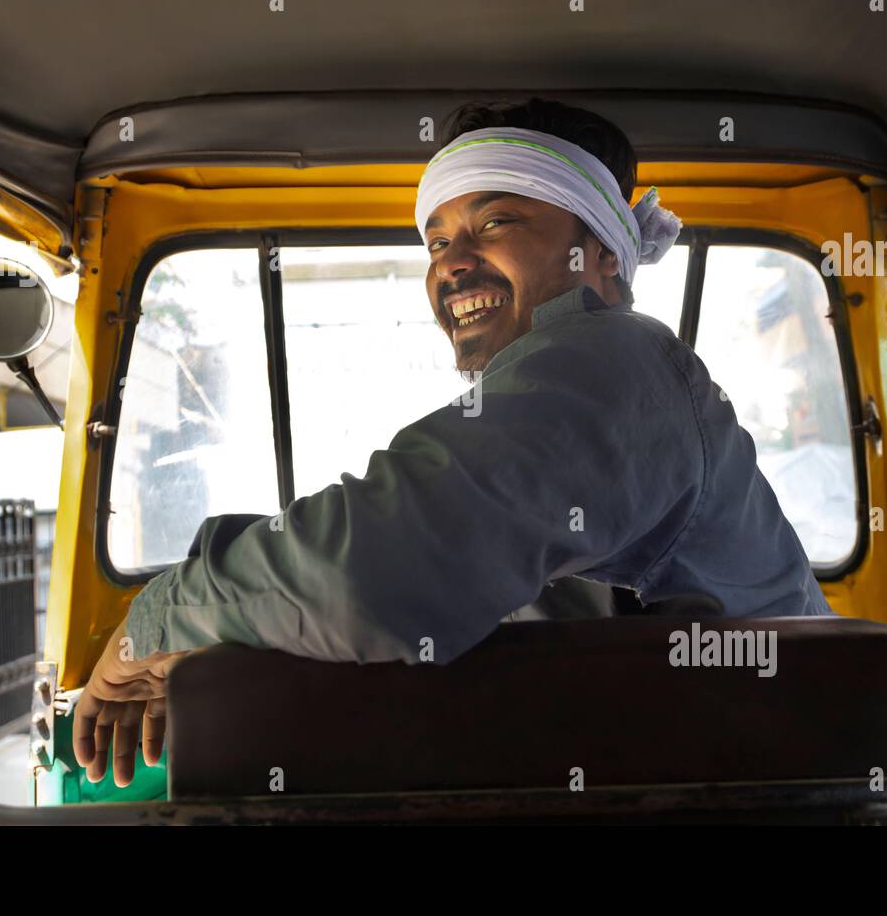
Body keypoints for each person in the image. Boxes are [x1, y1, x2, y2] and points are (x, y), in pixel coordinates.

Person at [73, 97, 834, 786]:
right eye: (436, 239)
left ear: (602, 253)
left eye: (496, 222)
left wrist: (158, 618)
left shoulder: (614, 362)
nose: (451, 262)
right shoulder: (562, 407)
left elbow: (370, 575)